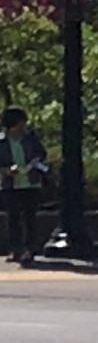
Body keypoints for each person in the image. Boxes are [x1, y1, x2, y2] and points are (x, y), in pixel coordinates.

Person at [1, 108, 44, 265]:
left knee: (30, 218)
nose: (23, 125)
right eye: (20, 122)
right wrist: (6, 170)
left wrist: (35, 161)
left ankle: (30, 249)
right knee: (13, 218)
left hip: (31, 182)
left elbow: (41, 153)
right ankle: (15, 250)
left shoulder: (30, 137)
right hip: (10, 185)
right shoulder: (2, 141)